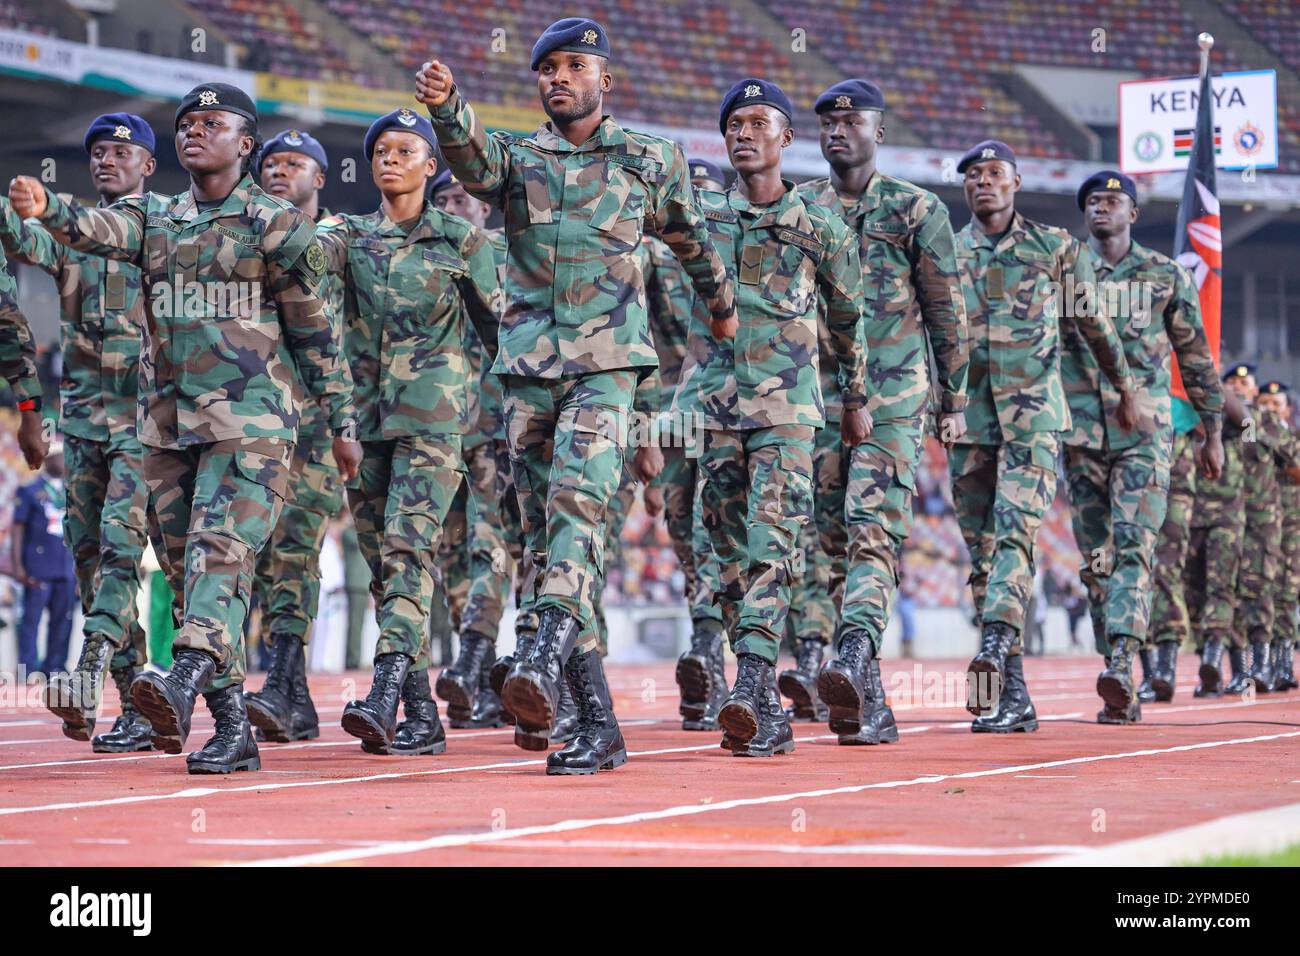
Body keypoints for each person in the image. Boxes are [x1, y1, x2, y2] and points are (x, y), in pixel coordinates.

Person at [415, 16, 737, 775]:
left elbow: (690, 239)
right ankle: (597, 720)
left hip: (607, 370)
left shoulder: (649, 158)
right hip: (526, 374)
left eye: (572, 66)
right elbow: (470, 161)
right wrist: (448, 106)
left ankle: (540, 646)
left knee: (578, 510)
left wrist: (721, 306)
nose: (558, 77)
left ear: (604, 79)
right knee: (543, 544)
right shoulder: (519, 158)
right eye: (547, 68)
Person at [8, 83, 361, 774]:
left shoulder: (277, 224)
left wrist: (342, 419)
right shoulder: (158, 219)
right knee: (183, 567)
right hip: (167, 432)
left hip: (251, 425)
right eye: (187, 124)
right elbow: (96, 229)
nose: (195, 132)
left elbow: (313, 330)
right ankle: (234, 731)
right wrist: (48, 207)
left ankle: (179, 680)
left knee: (217, 560)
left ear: (245, 143)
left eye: (213, 123)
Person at [672, 78, 869, 757]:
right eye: (734, 124)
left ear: (787, 138)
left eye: (760, 122)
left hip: (788, 414)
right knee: (723, 555)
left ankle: (755, 684)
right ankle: (754, 691)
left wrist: (856, 398)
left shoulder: (817, 223)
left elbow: (848, 318)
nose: (744, 133)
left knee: (773, 547)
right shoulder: (699, 220)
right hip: (715, 411)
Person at [314, 109, 499, 756]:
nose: (390, 160)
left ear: (430, 164)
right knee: (384, 562)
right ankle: (421, 717)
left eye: (406, 150)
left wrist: (503, 420)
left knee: (409, 549)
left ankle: (387, 685)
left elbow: (501, 331)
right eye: (381, 151)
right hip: (363, 424)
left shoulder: (463, 241)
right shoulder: (347, 240)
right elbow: (326, 331)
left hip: (435, 421)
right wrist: (340, 422)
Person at [798, 79, 968, 746]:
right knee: (827, 542)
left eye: (853, 120)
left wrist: (953, 401)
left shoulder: (916, 209)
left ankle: (852, 656)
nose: (839, 131)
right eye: (828, 123)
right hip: (814, 400)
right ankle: (867, 702)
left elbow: (945, 313)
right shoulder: (799, 206)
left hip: (893, 401)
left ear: (879, 130)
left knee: (872, 532)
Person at [950, 140, 1134, 733]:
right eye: (974, 175)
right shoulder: (947, 253)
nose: (984, 182)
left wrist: (1125, 387)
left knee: (1012, 535)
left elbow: (1094, 323)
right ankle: (1012, 696)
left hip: (1034, 422)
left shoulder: (1055, 248)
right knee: (981, 557)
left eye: (994, 173)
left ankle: (992, 662)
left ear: (1017, 182)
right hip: (968, 424)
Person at [2, 113, 157, 752]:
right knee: (92, 560)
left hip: (154, 425)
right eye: (96, 151)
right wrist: (17, 212)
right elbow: (25, 244)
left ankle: (88, 672)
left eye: (121, 150)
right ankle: (140, 701)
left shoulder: (170, 229)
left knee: (121, 548)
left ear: (149, 163)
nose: (105, 160)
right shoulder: (70, 239)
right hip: (87, 425)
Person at [1063, 170, 1223, 724]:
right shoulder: (1064, 268)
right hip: (1081, 433)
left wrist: (1213, 428)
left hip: (1145, 436)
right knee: (1098, 561)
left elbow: (1196, 355)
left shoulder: (1164, 274)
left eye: (1113, 201)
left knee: (1134, 549)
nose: (1101, 208)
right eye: (1092, 202)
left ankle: (1125, 659)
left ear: (1133, 212)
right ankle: (1117, 671)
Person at [242, 128, 346, 743]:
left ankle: (282, 677)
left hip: (315, 420)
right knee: (253, 550)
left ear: (320, 178)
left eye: (296, 163)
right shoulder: (247, 236)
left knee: (296, 547)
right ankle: (292, 693)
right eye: (272, 163)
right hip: (254, 414)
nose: (280, 171)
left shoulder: (341, 240)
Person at [644, 157, 731, 731]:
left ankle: (710, 652)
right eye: (691, 196)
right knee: (688, 538)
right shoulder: (656, 253)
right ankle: (709, 664)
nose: (700, 205)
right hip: (675, 415)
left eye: (708, 196)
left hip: (725, 409)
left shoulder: (735, 248)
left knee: (710, 533)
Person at [427, 168, 516, 730]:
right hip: (433, 432)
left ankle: (476, 657)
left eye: (463, 198)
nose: (454, 206)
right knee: (449, 557)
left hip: (493, 429)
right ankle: (479, 680)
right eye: (443, 200)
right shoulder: (423, 262)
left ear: (486, 207)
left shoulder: (511, 255)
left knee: (490, 547)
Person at [12, 441, 76, 678]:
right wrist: (18, 566)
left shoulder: (71, 492)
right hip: (37, 567)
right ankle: (27, 668)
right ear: (47, 460)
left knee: (64, 621)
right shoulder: (29, 491)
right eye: (59, 456)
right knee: (31, 619)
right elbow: (18, 529)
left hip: (65, 566)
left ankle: (55, 665)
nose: (63, 461)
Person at [1260, 380, 1300, 691]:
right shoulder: (1251, 437)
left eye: (1277, 404)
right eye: (1265, 403)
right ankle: (1260, 666)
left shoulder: (1294, 437)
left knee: (1286, 593)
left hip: (1292, 527)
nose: (1270, 409)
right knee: (1261, 592)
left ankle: (1284, 664)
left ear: (1288, 408)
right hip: (1260, 526)